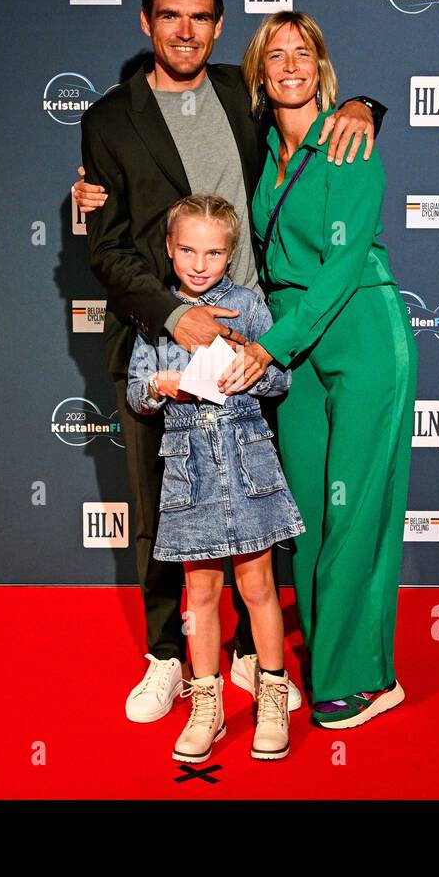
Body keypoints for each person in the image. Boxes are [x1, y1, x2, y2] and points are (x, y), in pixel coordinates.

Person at [77, 0, 386, 724]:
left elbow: (302, 111)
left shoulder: (234, 92)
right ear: (147, 21)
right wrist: (170, 313)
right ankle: (166, 657)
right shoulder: (108, 118)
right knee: (163, 510)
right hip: (164, 335)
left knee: (262, 506)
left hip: (255, 333)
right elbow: (106, 246)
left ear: (217, 27)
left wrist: (367, 107)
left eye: (201, 17)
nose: (185, 30)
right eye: (170, 15)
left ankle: (252, 652)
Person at [219, 10, 419, 729]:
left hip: (360, 330)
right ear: (260, 73)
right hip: (295, 347)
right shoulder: (265, 151)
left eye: (303, 52)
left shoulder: (350, 137)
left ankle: (362, 676)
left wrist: (269, 347)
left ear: (321, 66)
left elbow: (338, 269)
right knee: (304, 515)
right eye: (277, 55)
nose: (291, 64)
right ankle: (322, 659)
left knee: (357, 510)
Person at [127, 194, 303, 762]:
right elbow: (135, 390)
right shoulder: (160, 315)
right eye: (186, 250)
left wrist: (250, 361)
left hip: (247, 461)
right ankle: (208, 707)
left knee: (258, 589)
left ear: (230, 254)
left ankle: (271, 696)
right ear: (169, 249)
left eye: (213, 252)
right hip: (190, 475)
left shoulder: (249, 307)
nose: (199, 264)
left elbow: (281, 383)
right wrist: (162, 384)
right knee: (199, 596)